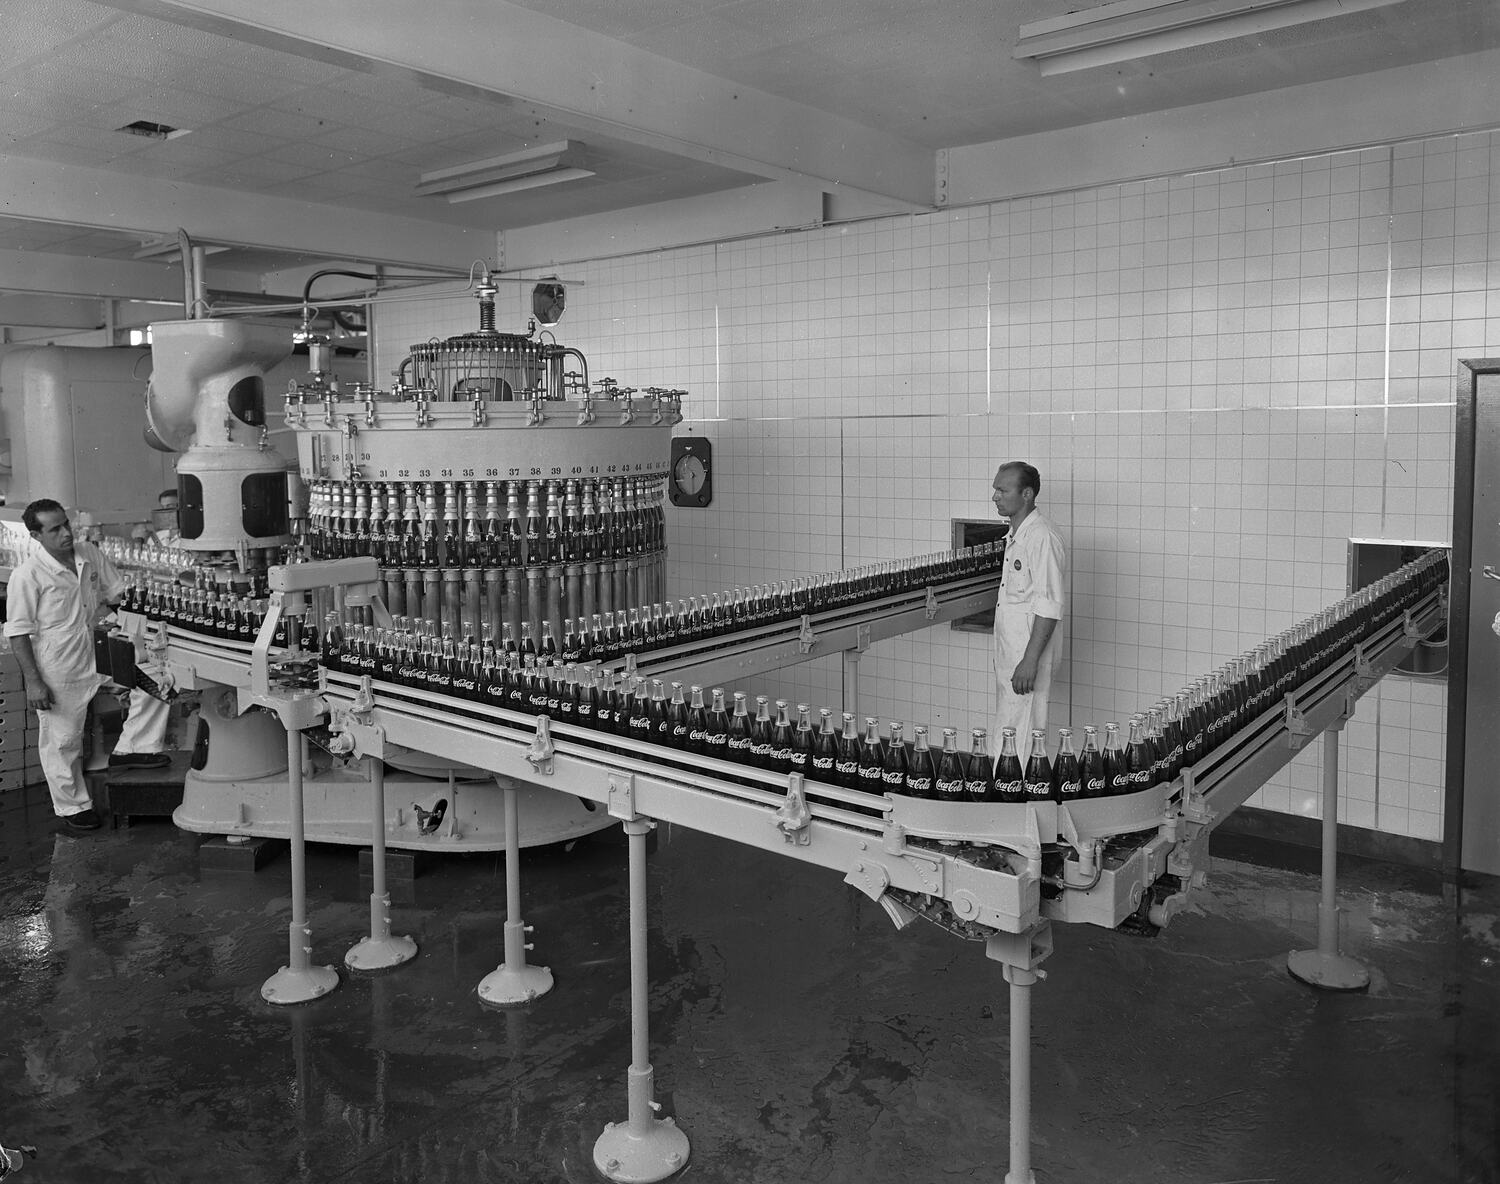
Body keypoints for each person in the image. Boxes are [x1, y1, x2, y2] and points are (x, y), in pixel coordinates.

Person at [3, 499, 130, 831]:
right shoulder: (28, 575)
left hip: (100, 654)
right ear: (35, 535)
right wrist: (34, 681)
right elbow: (18, 633)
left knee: (152, 689)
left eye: (66, 525)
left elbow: (119, 593)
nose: (65, 533)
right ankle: (74, 806)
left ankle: (140, 749)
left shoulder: (88, 554)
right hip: (60, 667)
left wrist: (121, 622)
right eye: (55, 528)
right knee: (64, 740)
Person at [990, 462, 1067, 761]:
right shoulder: (1017, 535)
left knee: (1023, 734)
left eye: (1002, 490)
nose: (995, 496)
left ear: (1026, 494)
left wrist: (1029, 660)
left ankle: (1017, 799)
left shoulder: (1042, 537)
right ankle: (1004, 789)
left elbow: (1049, 605)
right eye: (995, 489)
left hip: (1027, 656)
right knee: (1010, 725)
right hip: (1013, 654)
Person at [111, 489, 179, 770]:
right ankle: (131, 748)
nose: (168, 514)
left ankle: (135, 747)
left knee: (158, 679)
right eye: (164, 509)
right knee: (154, 677)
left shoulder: (192, 538)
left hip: (170, 615)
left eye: (174, 508)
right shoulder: (155, 540)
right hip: (158, 615)